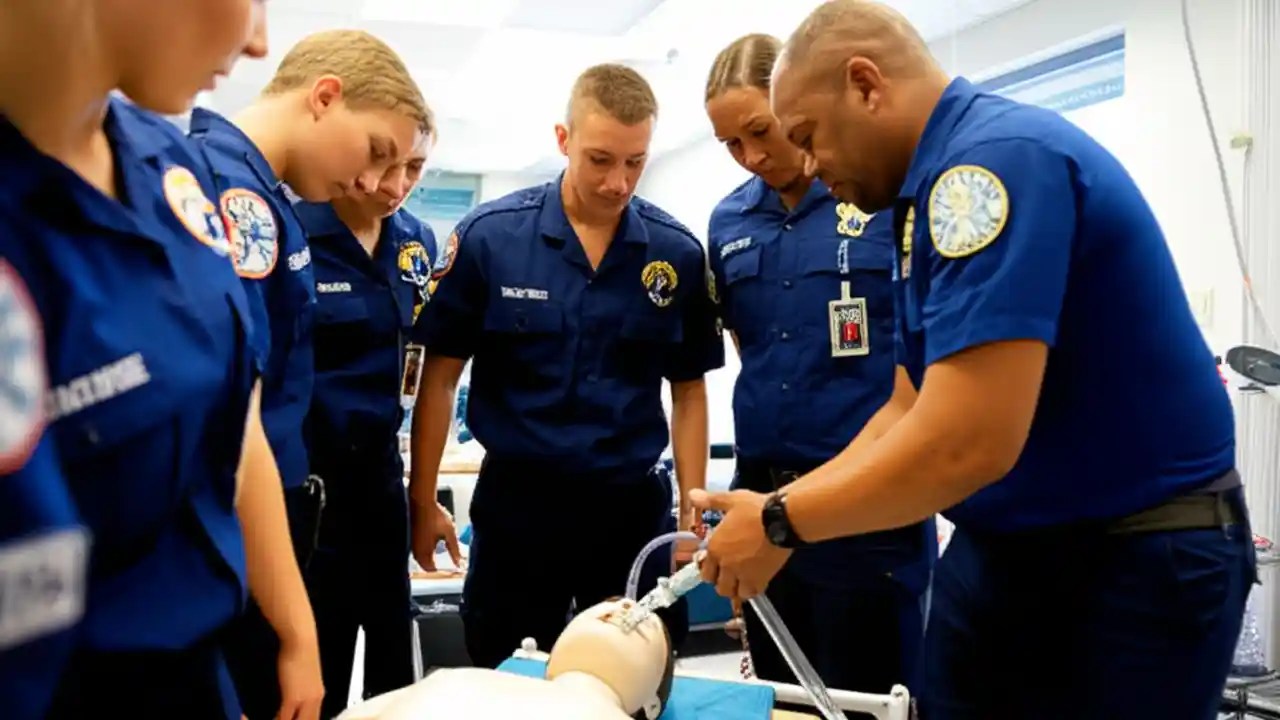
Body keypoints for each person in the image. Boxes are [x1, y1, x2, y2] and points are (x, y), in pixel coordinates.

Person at [691, 2, 1254, 719]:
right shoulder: (915, 206)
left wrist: (781, 521)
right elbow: (904, 406)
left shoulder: (992, 163)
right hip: (1008, 546)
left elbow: (967, 439)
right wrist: (779, 512)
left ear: (866, 85)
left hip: (1129, 555)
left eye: (808, 135)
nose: (805, 163)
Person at [0, 1, 325, 718]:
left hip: (195, 674)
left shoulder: (169, 163)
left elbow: (234, 420)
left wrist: (296, 630)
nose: (260, 42)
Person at [409, 63, 724, 669]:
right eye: (600, 159)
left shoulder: (674, 253)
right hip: (521, 507)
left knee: (639, 677)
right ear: (563, 139)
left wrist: (692, 506)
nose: (619, 182)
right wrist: (422, 500)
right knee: (508, 675)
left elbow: (689, 389)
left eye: (635, 161)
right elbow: (440, 376)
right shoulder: (492, 237)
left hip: (627, 508)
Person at [189, 29, 432, 720]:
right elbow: (238, 419)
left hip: (320, 503)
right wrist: (298, 631)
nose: (373, 181)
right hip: (250, 526)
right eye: (377, 152)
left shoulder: (266, 198)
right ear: (325, 98)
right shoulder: (236, 196)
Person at [703, 32, 932, 699]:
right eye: (731, 146)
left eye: (760, 130)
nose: (753, 157)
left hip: (868, 508)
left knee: (877, 699)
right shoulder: (728, 222)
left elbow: (919, 376)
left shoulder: (877, 198)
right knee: (785, 698)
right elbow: (754, 349)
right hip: (764, 495)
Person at [294, 131, 439, 717]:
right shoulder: (295, 229)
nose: (397, 186)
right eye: (386, 166)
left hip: (381, 481)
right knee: (312, 671)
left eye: (417, 168)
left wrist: (422, 497)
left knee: (395, 674)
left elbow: (422, 362)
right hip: (308, 485)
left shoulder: (416, 241)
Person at [335, 598, 675, 720]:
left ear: (651, 705)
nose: (627, 608)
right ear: (550, 657)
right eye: (608, 605)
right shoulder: (458, 679)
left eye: (651, 628)